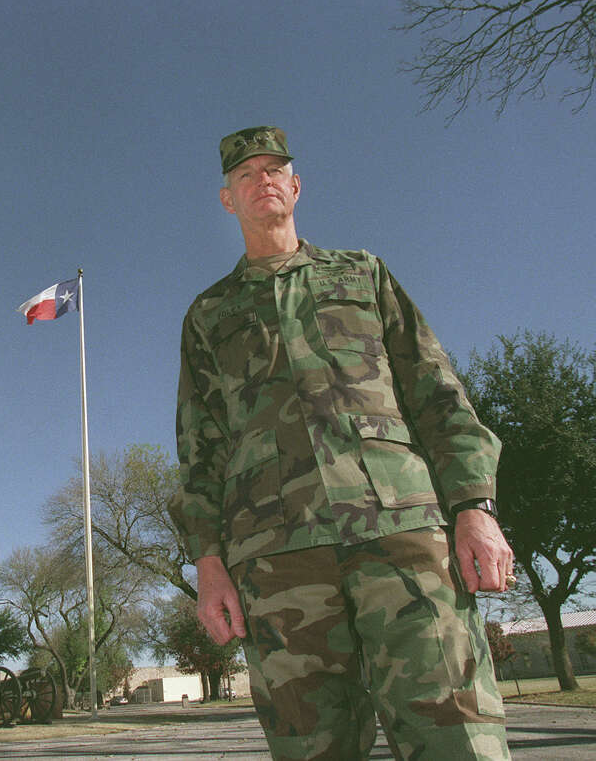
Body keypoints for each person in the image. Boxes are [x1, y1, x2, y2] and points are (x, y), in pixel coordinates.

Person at [169, 126, 514, 760]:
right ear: (227, 199)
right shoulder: (209, 314)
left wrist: (475, 507)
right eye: (246, 174)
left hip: (404, 533)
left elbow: (436, 392)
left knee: (458, 735)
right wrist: (208, 563)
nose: (263, 180)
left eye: (275, 169)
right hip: (276, 558)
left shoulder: (364, 273)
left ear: (296, 186)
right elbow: (201, 448)